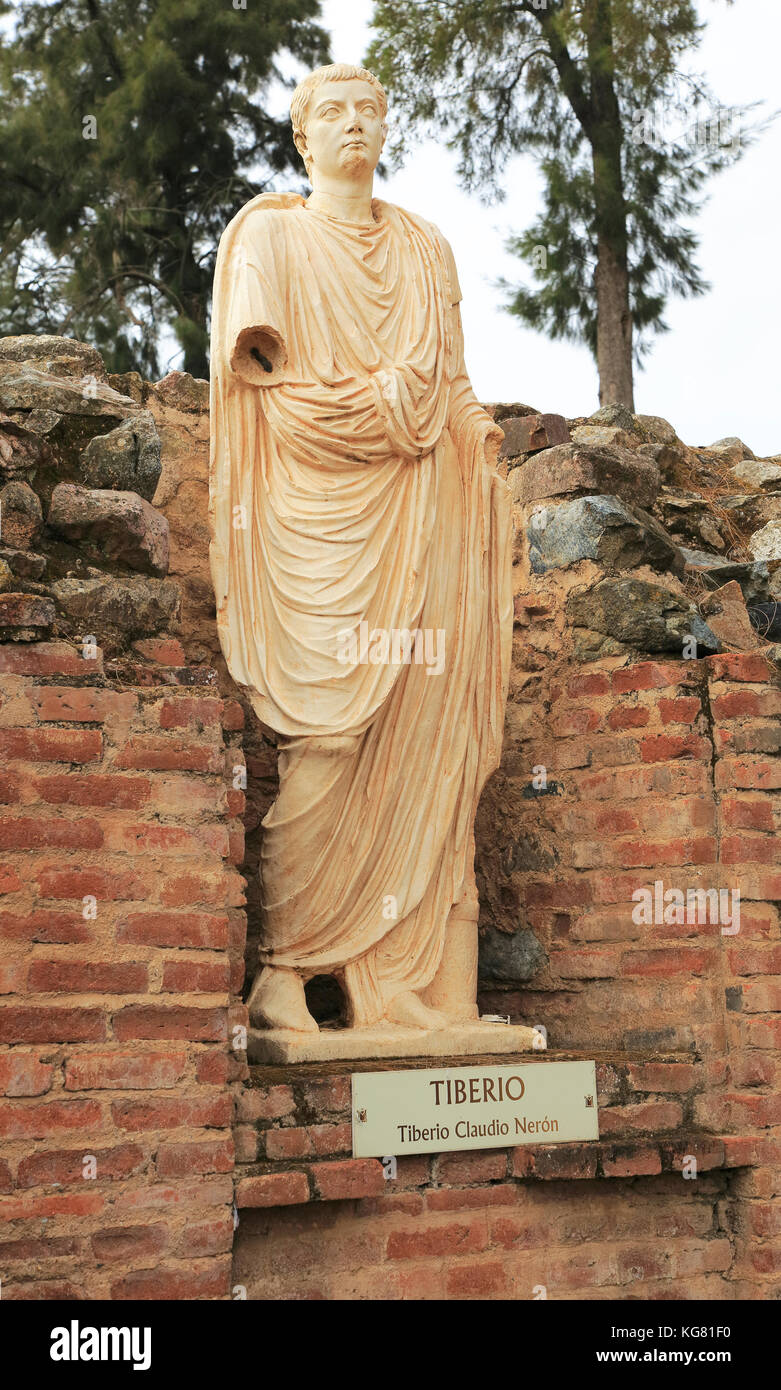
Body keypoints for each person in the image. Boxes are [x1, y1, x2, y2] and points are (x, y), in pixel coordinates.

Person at [209, 63, 512, 1034]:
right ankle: (284, 973)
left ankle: (410, 990)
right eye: (329, 111)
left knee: (429, 745)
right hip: (316, 525)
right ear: (302, 138)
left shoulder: (426, 249)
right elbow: (275, 395)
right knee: (328, 743)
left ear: (386, 128)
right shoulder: (271, 237)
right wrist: (386, 405)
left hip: (424, 522)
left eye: (367, 109)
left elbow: (454, 390)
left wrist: (479, 443)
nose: (351, 123)